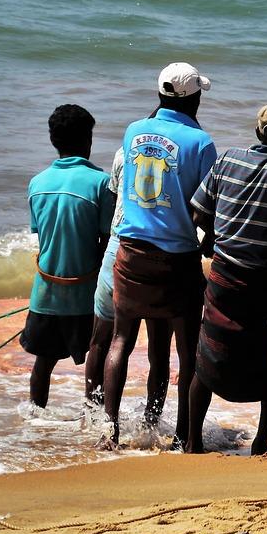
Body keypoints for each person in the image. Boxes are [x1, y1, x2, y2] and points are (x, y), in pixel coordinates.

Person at [103, 63, 216, 447]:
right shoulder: (201, 143)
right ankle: (184, 436)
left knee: (120, 340)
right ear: (196, 98)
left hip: (130, 253)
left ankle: (109, 431)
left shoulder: (134, 131)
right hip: (176, 260)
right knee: (183, 353)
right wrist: (211, 240)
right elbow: (207, 207)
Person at [185, 103, 267, 455]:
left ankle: (192, 442)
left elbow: (198, 211)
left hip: (223, 276)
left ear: (257, 132)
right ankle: (261, 443)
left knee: (207, 355)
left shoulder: (228, 159)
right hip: (265, 283)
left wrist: (213, 238)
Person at [22, 105, 114, 408]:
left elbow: (43, 234)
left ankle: (35, 421)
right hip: (88, 296)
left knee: (43, 365)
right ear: (88, 140)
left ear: (53, 140)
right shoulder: (101, 183)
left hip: (45, 293)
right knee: (97, 360)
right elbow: (106, 240)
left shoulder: (37, 183)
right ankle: (94, 422)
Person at [86, 149, 172, 423]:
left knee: (105, 341)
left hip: (118, 248)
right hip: (162, 254)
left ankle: (96, 419)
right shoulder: (180, 151)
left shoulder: (124, 150)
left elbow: (115, 199)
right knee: (159, 350)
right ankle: (151, 422)